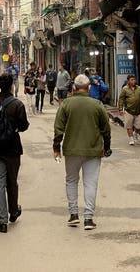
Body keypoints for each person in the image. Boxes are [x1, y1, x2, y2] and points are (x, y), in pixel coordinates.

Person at [53, 73, 111, 230]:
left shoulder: (66, 104)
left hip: (71, 150)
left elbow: (58, 129)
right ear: (88, 87)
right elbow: (106, 129)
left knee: (71, 180)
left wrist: (56, 148)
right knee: (90, 183)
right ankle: (88, 218)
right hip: (93, 150)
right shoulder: (97, 104)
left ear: (74, 87)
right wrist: (107, 147)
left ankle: (73, 215)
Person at [0, 72, 29, 233]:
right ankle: (14, 211)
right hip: (13, 149)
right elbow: (24, 126)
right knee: (12, 181)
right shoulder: (17, 105)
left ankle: (2, 221)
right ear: (10, 86)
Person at [118, 74, 140, 145]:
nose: (134, 81)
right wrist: (120, 109)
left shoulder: (139, 88)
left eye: (134, 79)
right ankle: (131, 139)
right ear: (128, 81)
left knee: (139, 125)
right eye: (132, 80)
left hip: (138, 110)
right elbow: (121, 99)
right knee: (129, 126)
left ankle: (135, 133)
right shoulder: (125, 89)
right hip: (129, 110)